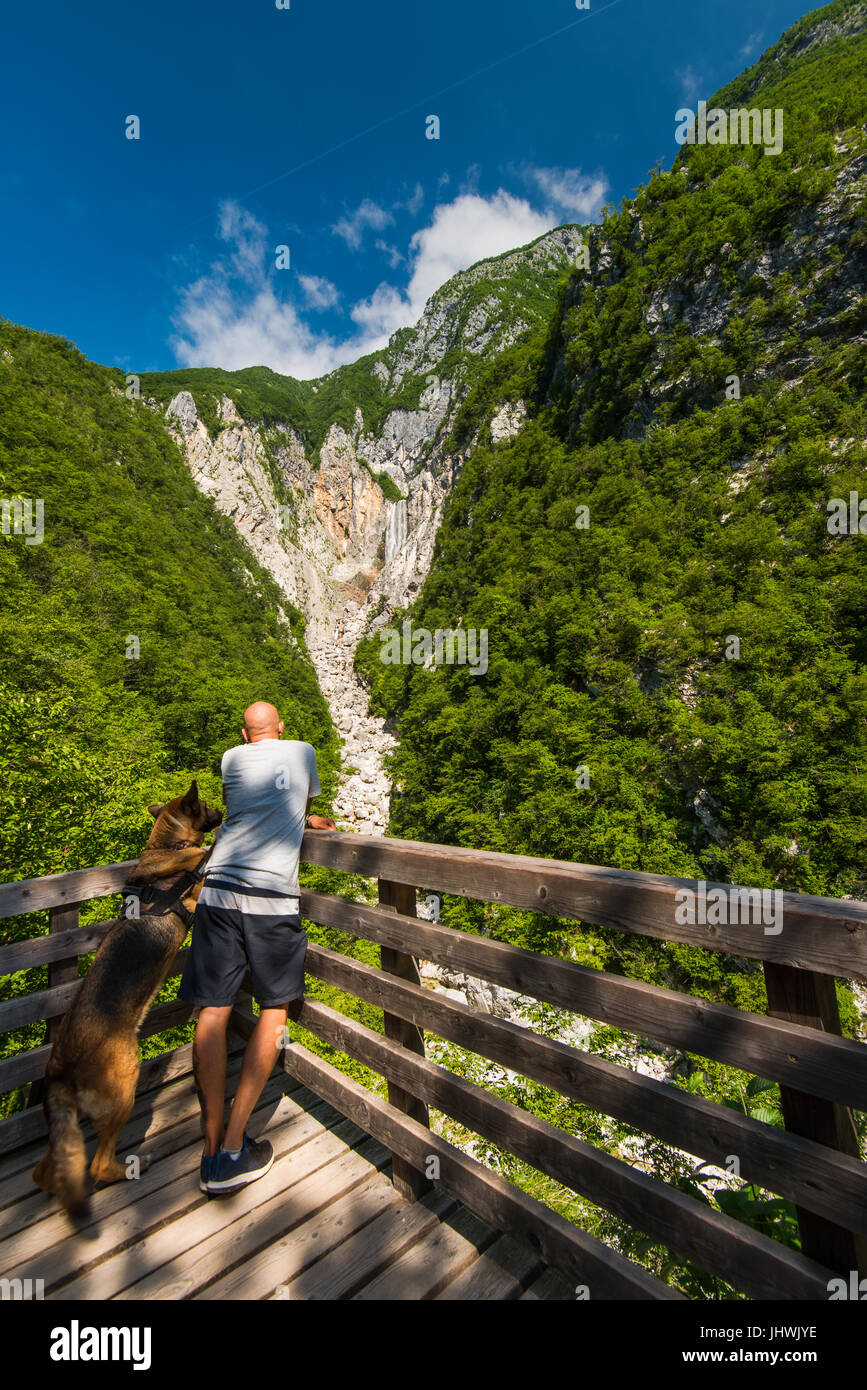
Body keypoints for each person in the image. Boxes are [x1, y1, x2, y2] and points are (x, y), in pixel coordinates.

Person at [179, 700, 335, 1194]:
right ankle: (233, 1148)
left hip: (219, 890)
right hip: (270, 899)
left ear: (245, 735)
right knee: (274, 1010)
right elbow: (297, 804)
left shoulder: (230, 759)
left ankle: (208, 1150)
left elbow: (251, 807)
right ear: (282, 729)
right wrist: (309, 821)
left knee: (214, 1011)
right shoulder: (304, 751)